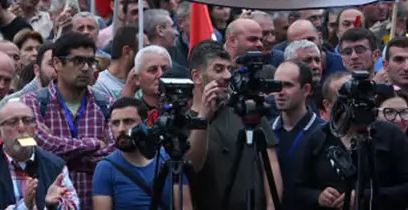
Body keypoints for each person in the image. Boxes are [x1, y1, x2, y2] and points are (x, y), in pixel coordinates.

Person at [294, 73, 408, 210]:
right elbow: (298, 190)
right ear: (327, 105)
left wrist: (365, 197)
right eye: (346, 100)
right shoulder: (318, 138)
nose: (354, 105)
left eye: (359, 98)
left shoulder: (390, 135)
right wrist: (318, 196)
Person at [22, 31, 115, 210]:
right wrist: (93, 143)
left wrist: (57, 157)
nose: (86, 68)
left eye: (90, 61)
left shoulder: (107, 104)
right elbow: (36, 147)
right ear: (57, 63)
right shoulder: (32, 103)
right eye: (78, 61)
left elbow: (110, 157)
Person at [187, 40, 282, 210]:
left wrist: (272, 206)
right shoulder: (184, 120)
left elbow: (271, 163)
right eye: (218, 69)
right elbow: (193, 165)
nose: (227, 76)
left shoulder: (246, 110)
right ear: (197, 76)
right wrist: (203, 117)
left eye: (229, 69)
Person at [0, 100, 79, 210]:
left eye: (27, 121)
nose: (21, 128)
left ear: (36, 128)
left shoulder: (55, 165)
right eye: (12, 122)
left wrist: (53, 205)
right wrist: (25, 206)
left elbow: (74, 206)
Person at [93, 96, 190, 210]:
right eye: (115, 123)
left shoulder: (168, 158)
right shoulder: (106, 167)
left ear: (146, 124)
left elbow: (185, 206)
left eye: (128, 121)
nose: (121, 129)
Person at [271, 61, 323, 209]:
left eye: (287, 85)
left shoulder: (324, 132)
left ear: (306, 89)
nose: (280, 92)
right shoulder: (265, 130)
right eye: (276, 85)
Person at [94, 26, 141, 99]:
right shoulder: (99, 85)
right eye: (144, 49)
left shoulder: (144, 81)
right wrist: (130, 88)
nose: (148, 54)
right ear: (127, 52)